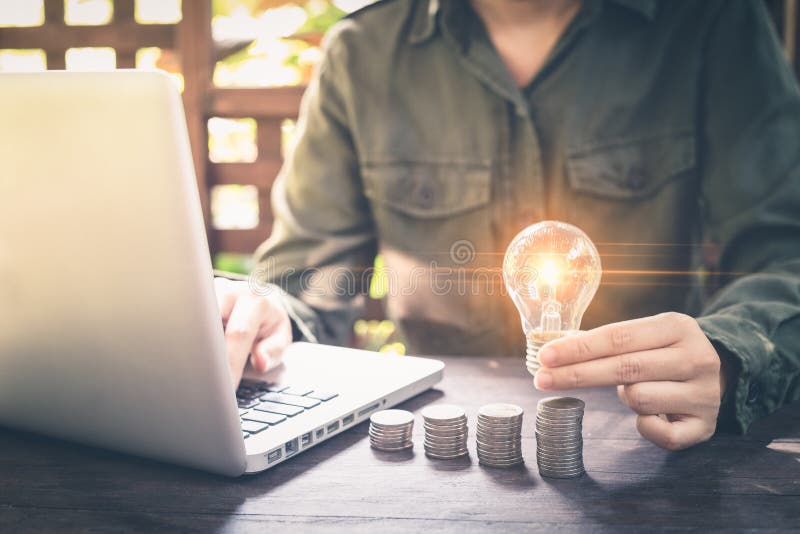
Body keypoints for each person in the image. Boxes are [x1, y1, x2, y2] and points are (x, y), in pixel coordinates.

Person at [214, 0, 800, 451]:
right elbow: (306, 284)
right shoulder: (363, 53)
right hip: (440, 445)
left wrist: (730, 352)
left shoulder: (710, 25)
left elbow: (788, 254)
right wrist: (260, 318)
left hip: (643, 436)